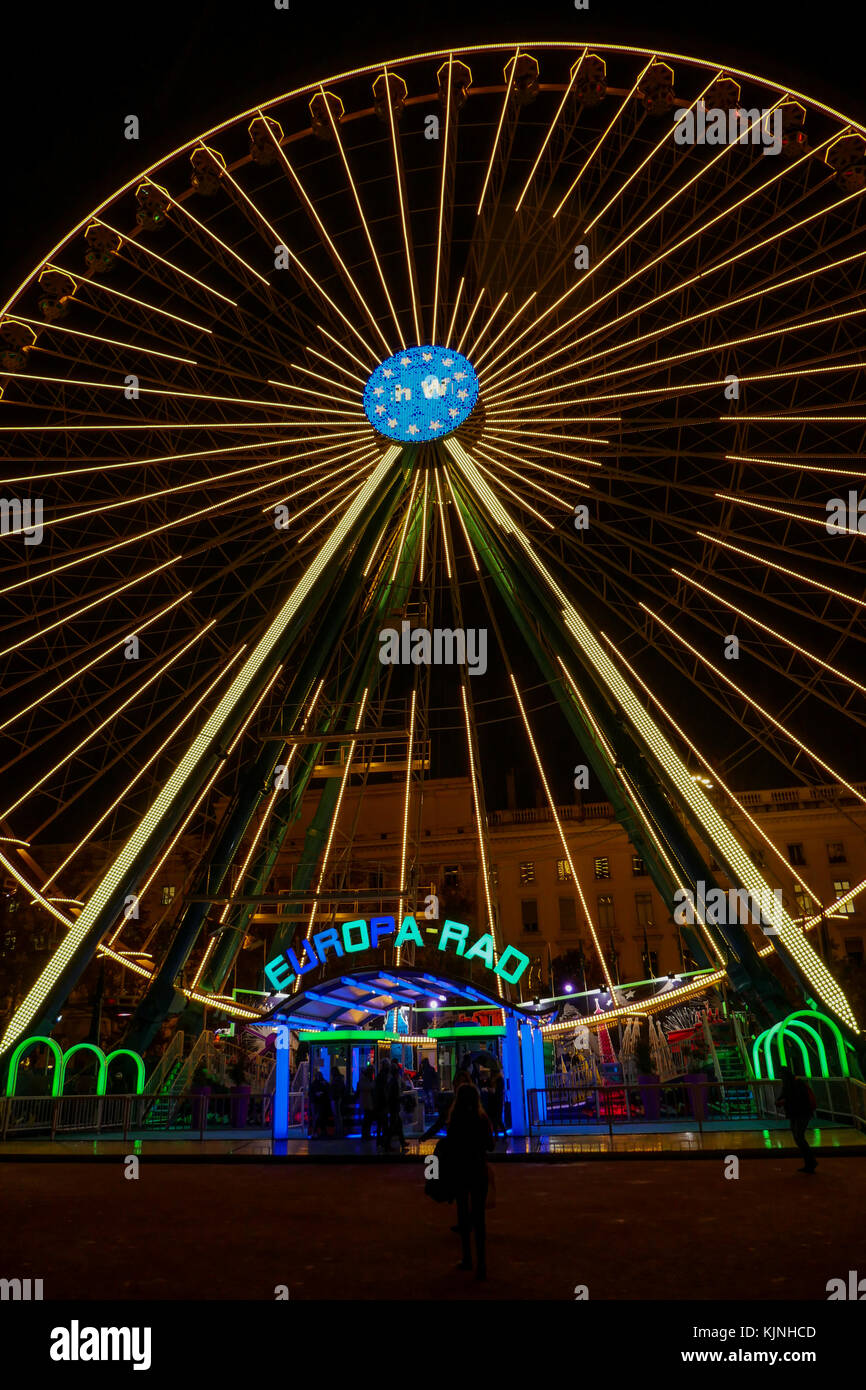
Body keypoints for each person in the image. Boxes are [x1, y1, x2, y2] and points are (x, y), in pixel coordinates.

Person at [446, 1083, 495, 1281]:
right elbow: (490, 1146)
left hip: (461, 1171)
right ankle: (481, 1262)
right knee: (479, 1218)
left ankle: (467, 1258)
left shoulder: (455, 1120)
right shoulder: (482, 1119)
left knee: (463, 1215)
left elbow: (450, 1146)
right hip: (478, 1169)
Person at [778, 1066, 817, 1173]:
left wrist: (783, 1101)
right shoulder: (794, 1083)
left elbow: (794, 1098)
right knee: (798, 1137)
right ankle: (810, 1162)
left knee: (799, 1137)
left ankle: (810, 1162)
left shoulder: (794, 1084)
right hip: (798, 1114)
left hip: (800, 1114)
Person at [386, 1060, 409, 1154]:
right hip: (394, 1106)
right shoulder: (394, 1081)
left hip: (394, 1106)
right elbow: (395, 1094)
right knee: (394, 1125)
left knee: (397, 1124)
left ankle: (402, 1142)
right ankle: (387, 1143)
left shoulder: (392, 1080)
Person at [374, 1060, 391, 1150]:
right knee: (384, 1124)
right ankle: (385, 1143)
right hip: (382, 1104)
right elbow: (384, 1091)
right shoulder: (384, 1077)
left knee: (380, 1125)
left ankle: (379, 1142)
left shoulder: (379, 1076)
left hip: (379, 1103)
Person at [309, 1068, 331, 1139]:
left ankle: (315, 1131)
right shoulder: (322, 1083)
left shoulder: (315, 1083)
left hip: (318, 1102)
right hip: (318, 1102)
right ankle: (318, 1131)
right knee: (318, 1117)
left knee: (317, 1117)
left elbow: (311, 1093)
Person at [488, 1064, 506, 1140]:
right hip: (494, 1101)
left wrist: (491, 1090)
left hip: (497, 1101)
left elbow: (498, 1091)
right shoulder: (495, 1079)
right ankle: (497, 1134)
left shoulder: (499, 1080)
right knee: (495, 1119)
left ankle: (502, 1133)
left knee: (497, 1118)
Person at [358, 1063, 376, 1141]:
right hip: (367, 1102)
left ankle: (366, 1134)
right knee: (367, 1119)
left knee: (368, 1119)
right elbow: (368, 1087)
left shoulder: (366, 1078)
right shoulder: (365, 1079)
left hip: (368, 1102)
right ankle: (365, 1134)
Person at [330, 1067, 346, 1140]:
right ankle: (339, 1130)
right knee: (337, 1115)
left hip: (335, 1098)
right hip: (337, 1098)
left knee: (337, 1115)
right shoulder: (340, 1079)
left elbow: (335, 1089)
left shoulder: (336, 1080)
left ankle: (338, 1130)